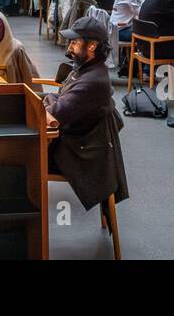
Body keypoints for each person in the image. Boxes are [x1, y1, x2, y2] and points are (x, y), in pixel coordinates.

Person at [43, 14, 128, 215]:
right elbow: (57, 102)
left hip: (75, 156)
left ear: (91, 46)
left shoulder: (92, 81)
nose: (69, 47)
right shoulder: (87, 69)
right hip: (74, 145)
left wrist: (48, 100)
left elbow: (55, 114)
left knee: (15, 155)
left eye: (74, 42)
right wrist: (49, 99)